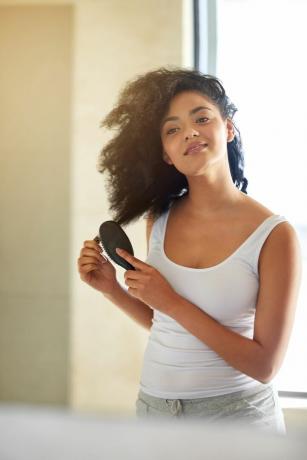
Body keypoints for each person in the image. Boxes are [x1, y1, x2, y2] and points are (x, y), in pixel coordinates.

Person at [77, 67, 302, 435]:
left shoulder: (275, 236)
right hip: (155, 412)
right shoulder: (158, 219)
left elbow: (265, 365)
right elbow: (165, 323)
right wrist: (112, 289)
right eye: (173, 129)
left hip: (237, 419)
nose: (190, 133)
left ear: (227, 128)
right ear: (166, 154)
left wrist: (172, 301)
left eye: (201, 118)